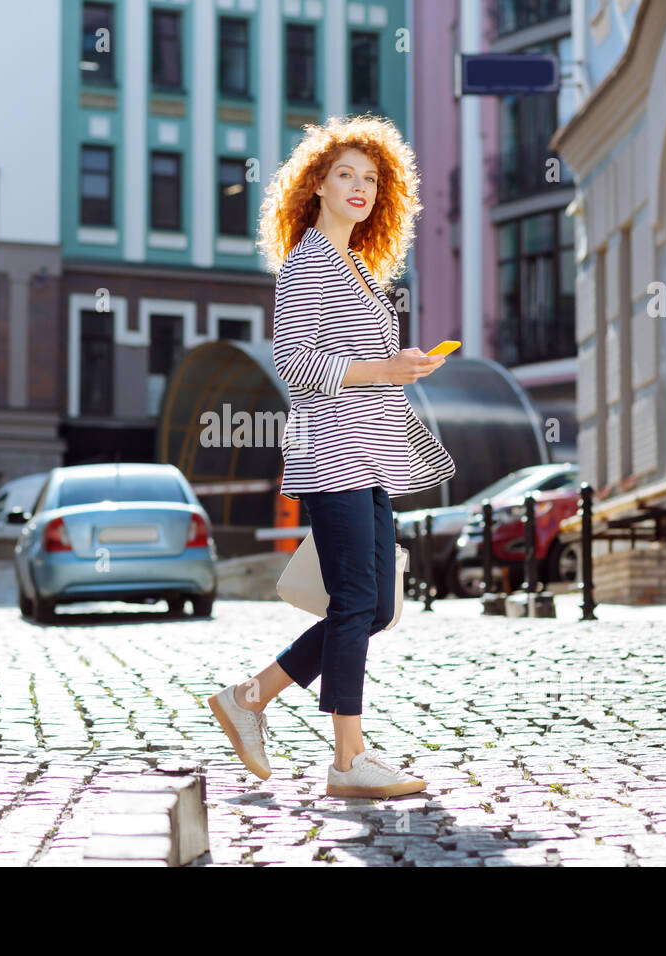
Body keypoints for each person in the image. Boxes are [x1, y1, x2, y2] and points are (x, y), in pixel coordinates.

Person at [207, 115, 456, 798]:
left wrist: (400, 368)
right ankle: (349, 760)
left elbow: (359, 361)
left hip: (370, 455)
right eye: (345, 174)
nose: (360, 187)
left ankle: (250, 697)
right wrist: (382, 370)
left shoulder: (358, 267)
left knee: (373, 607)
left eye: (371, 178)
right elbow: (294, 361)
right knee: (353, 601)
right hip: (332, 452)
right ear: (315, 184)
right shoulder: (309, 260)